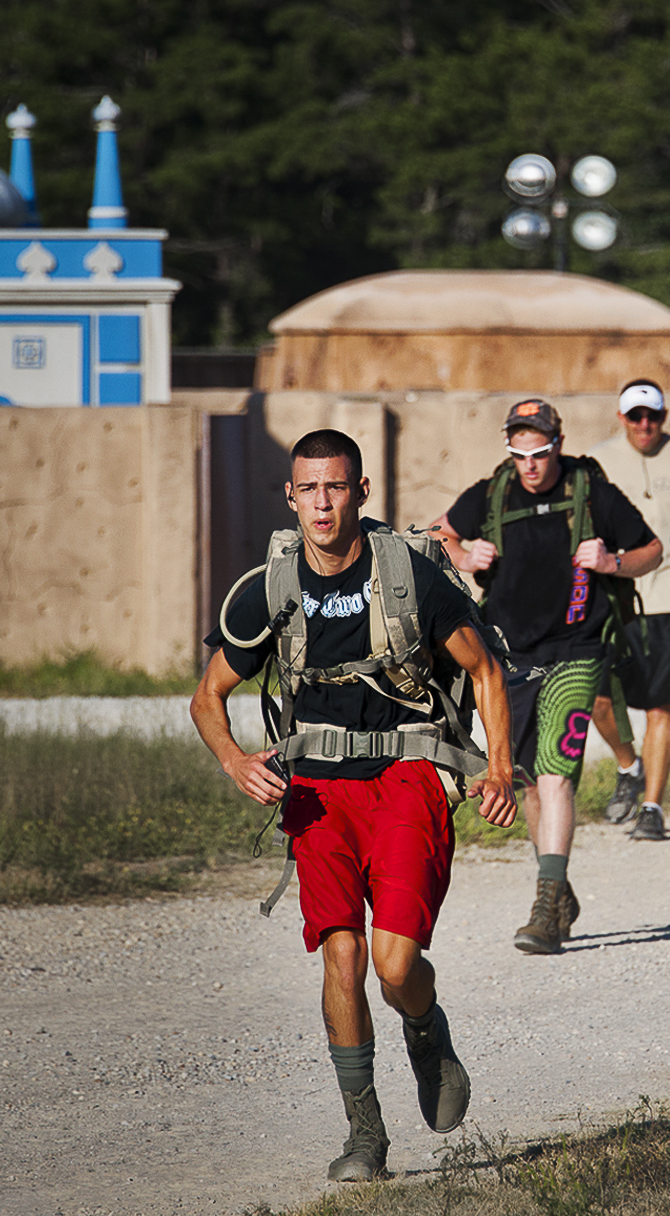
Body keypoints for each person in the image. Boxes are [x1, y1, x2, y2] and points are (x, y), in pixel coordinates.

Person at [191, 430, 517, 1183]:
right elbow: (209, 695)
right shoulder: (270, 586)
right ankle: (365, 1133)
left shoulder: (408, 575)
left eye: (335, 487)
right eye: (308, 489)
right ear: (290, 496)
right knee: (342, 955)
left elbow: (485, 671)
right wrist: (236, 760)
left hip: (406, 778)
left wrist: (498, 769)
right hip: (315, 793)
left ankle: (425, 1030)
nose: (322, 504)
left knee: (396, 967)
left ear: (361, 492)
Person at [432, 400, 660, 954]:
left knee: (556, 775)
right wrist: (464, 555)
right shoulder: (491, 493)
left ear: (557, 443)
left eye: (539, 451)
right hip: (509, 657)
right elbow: (438, 534)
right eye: (519, 452)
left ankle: (543, 907)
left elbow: (652, 550)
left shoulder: (592, 492)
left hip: (578, 649)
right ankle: (559, 890)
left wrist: (611, 563)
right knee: (529, 781)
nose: (530, 463)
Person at [585, 380, 670, 842]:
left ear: (664, 416)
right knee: (596, 699)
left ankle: (652, 808)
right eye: (635, 416)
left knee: (661, 703)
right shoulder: (596, 462)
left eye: (652, 415)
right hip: (611, 594)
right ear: (620, 417)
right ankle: (628, 766)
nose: (644, 424)